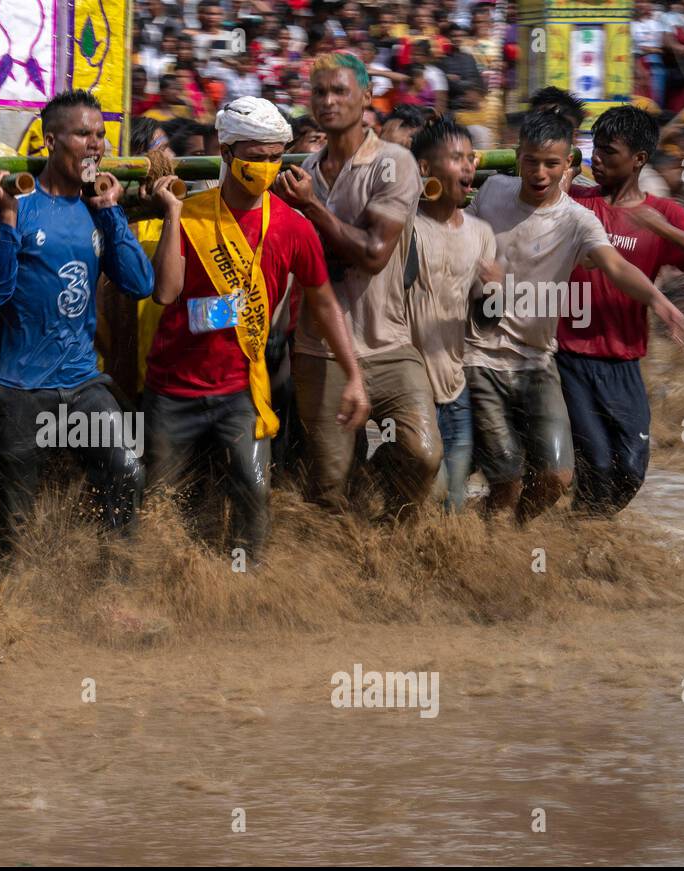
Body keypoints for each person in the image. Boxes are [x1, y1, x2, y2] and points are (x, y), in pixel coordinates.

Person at [145, 97, 367, 562]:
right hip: (173, 387)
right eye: (255, 157)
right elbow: (165, 293)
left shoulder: (293, 227)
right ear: (226, 153)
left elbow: (325, 302)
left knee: (254, 491)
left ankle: (246, 579)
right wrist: (172, 215)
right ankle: (151, 577)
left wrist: (354, 376)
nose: (266, 167)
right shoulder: (189, 215)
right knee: (159, 499)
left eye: (274, 157)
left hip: (241, 389)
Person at [463, 110, 684, 523]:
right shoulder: (493, 190)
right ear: (518, 156)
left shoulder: (578, 220)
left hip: (537, 359)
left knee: (557, 476)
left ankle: (516, 534)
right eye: (531, 161)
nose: (540, 173)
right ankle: (487, 534)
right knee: (507, 476)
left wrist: (659, 300)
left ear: (568, 163)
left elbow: (616, 267)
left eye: (551, 164)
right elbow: (459, 236)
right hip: (479, 354)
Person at [0, 90, 155, 555]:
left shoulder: (97, 207)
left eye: (100, 134)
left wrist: (111, 211)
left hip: (81, 382)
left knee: (127, 471)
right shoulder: (17, 200)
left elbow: (140, 283)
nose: (95, 144)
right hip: (21, 387)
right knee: (15, 518)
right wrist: (6, 216)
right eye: (82, 134)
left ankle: (114, 582)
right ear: (51, 140)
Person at [273, 52, 443, 519]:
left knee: (424, 455)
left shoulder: (394, 163)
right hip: (320, 348)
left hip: (390, 343)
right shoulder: (303, 171)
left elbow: (372, 254)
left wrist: (312, 208)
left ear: (367, 97)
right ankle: (339, 554)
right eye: (319, 93)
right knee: (328, 485)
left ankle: (386, 520)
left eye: (339, 91)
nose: (328, 101)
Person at [561, 106, 684, 515]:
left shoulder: (665, 213)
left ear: (638, 159)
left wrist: (663, 228)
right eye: (595, 149)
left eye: (608, 152)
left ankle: (583, 527)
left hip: (625, 359)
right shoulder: (577, 201)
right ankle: (577, 533)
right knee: (597, 463)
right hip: (569, 356)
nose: (597, 158)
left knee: (631, 469)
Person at [406, 118, 497, 512]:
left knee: (454, 502)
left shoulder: (481, 233)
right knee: (432, 489)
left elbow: (486, 322)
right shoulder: (404, 228)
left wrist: (494, 291)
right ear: (425, 168)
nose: (468, 167)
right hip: (409, 387)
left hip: (454, 385)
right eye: (457, 158)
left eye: (471, 158)